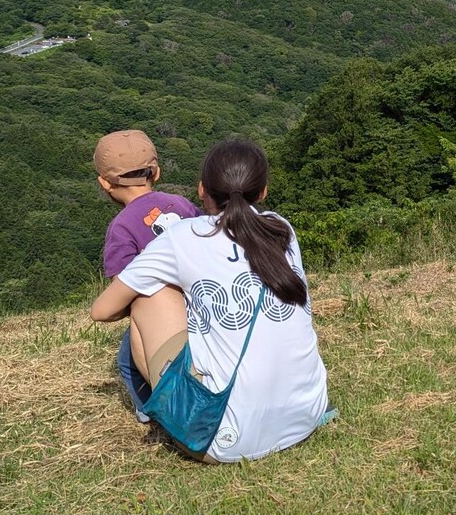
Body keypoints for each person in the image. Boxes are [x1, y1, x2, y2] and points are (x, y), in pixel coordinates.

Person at [91, 138, 329, 462]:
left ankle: (168, 414)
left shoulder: (183, 237)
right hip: (307, 417)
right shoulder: (281, 228)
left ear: (202, 190)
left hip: (224, 441)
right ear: (263, 192)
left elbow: (102, 310)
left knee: (147, 295)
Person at [93, 129, 199, 421]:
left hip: (159, 314)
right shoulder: (181, 204)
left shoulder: (121, 227)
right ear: (157, 172)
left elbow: (122, 291)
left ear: (105, 183)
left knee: (126, 362)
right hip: (200, 299)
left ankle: (150, 410)